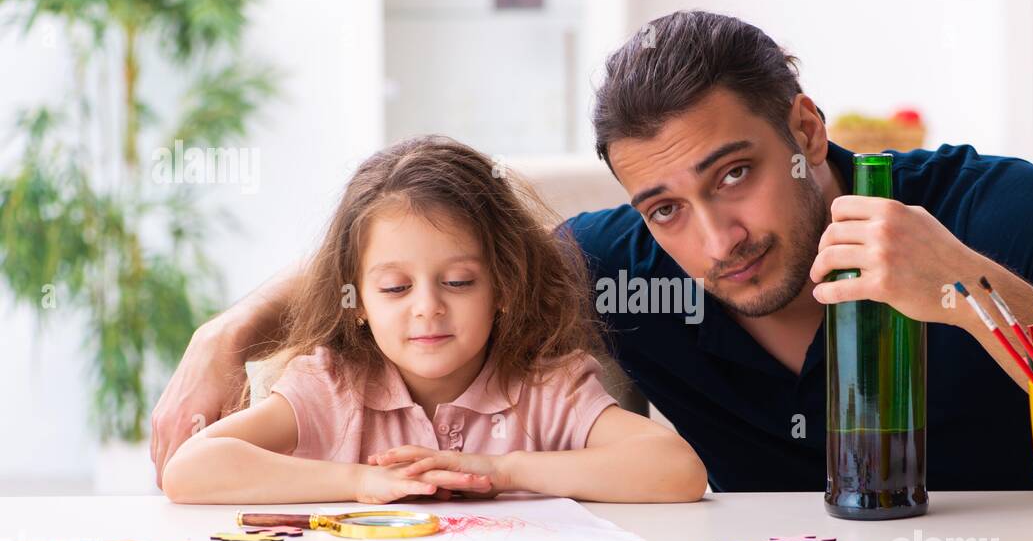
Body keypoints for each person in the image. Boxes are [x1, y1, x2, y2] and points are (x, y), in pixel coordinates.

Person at [153, 11, 1033, 499]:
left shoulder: (993, 209)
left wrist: (967, 291)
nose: (715, 241)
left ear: (805, 131)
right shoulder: (617, 265)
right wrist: (229, 331)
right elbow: (431, 239)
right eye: (664, 206)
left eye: (734, 174)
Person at [161, 136, 707, 505]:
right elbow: (191, 469)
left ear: (504, 288)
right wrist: (358, 481)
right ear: (356, 301)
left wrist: (502, 471)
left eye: (460, 282)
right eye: (395, 288)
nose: (427, 307)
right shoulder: (331, 386)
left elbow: (675, 471)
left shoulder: (547, 385)